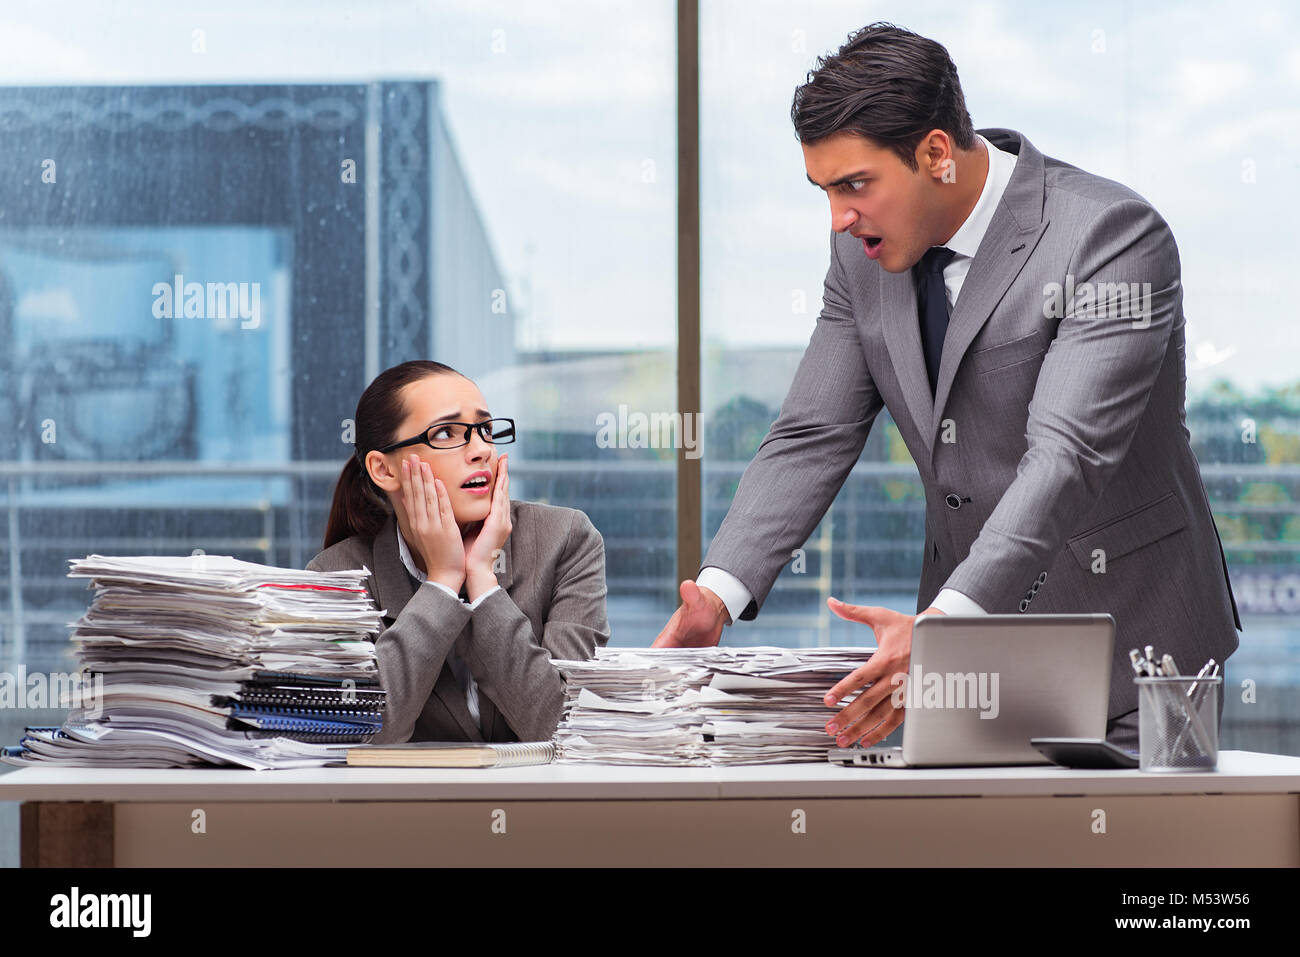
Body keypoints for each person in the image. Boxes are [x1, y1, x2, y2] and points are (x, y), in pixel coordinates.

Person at [654, 23, 1240, 753]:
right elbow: (813, 432)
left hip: (1131, 651)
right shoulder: (859, 255)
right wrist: (717, 592)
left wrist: (945, 628)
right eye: (825, 190)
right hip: (958, 666)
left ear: (935, 153)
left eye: (854, 185)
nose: (838, 218)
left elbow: (1066, 456)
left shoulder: (1109, 237)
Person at [308, 359, 609, 744]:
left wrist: (482, 580)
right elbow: (365, 733)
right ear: (384, 470)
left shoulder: (566, 540)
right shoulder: (336, 576)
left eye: (484, 429)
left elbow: (565, 727)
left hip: (539, 802)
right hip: (412, 803)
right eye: (447, 433)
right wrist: (443, 583)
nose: (481, 449)